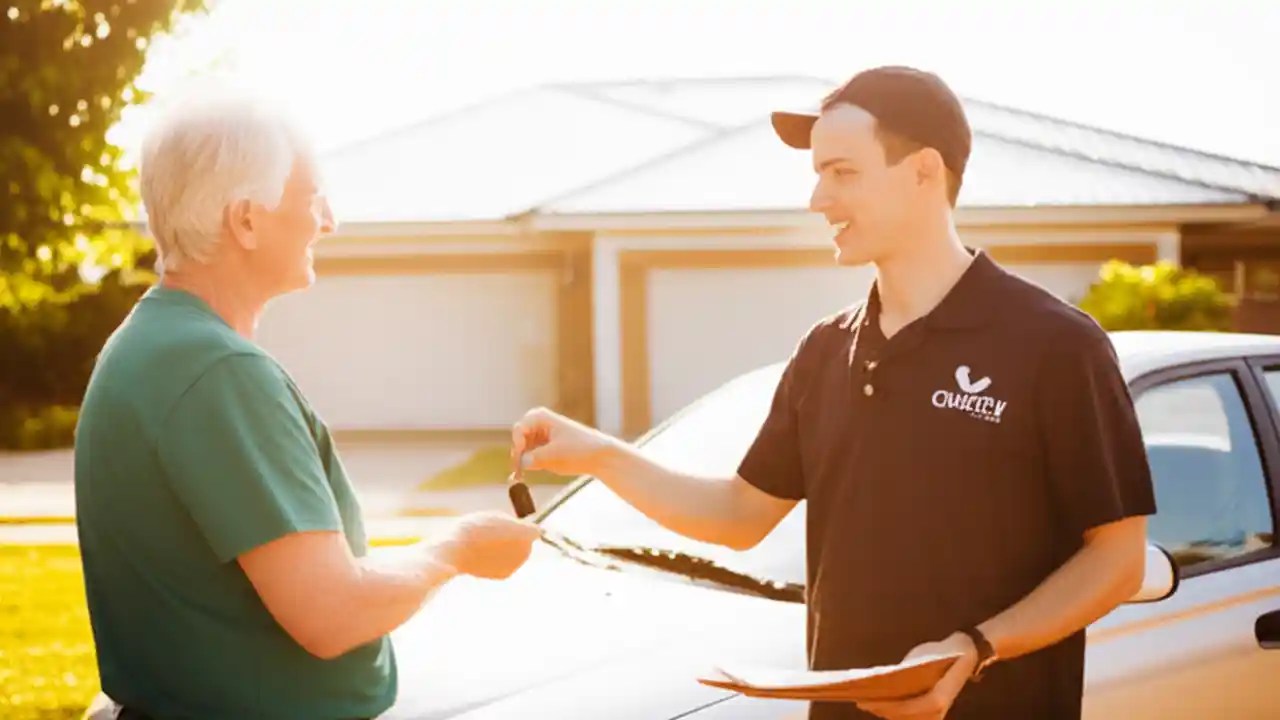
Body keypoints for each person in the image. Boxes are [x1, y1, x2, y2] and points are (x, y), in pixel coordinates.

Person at [512, 66, 1156, 720]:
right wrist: (598, 454)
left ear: (924, 172)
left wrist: (978, 647)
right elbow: (737, 515)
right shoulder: (826, 349)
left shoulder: (1056, 345)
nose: (818, 199)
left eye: (843, 172)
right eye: (818, 173)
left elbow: (1117, 559)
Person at [73, 89, 540, 720]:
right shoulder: (219, 372)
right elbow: (333, 614)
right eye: (311, 196)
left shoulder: (146, 345)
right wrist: (457, 548)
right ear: (245, 220)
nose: (329, 221)